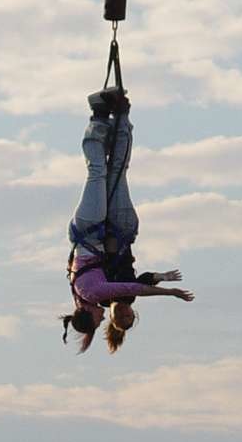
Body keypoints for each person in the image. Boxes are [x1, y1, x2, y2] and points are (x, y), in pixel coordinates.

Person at [61, 88, 195, 354]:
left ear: (90, 314)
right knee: (116, 170)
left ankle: (99, 114)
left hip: (89, 230)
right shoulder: (86, 297)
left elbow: (133, 287)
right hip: (101, 232)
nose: (103, 320)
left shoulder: (91, 294)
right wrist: (162, 279)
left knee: (98, 172)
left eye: (99, 322)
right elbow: (134, 284)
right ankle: (118, 115)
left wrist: (170, 293)